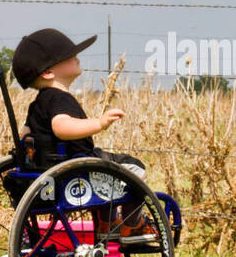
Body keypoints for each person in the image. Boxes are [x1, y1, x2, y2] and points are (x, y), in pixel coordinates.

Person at [11, 29, 146, 180]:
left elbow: (26, 135)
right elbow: (61, 127)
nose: (76, 57)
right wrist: (99, 123)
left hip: (51, 168)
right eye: (69, 55)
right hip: (79, 166)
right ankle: (126, 204)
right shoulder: (60, 98)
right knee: (135, 168)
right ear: (48, 72)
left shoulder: (38, 102)